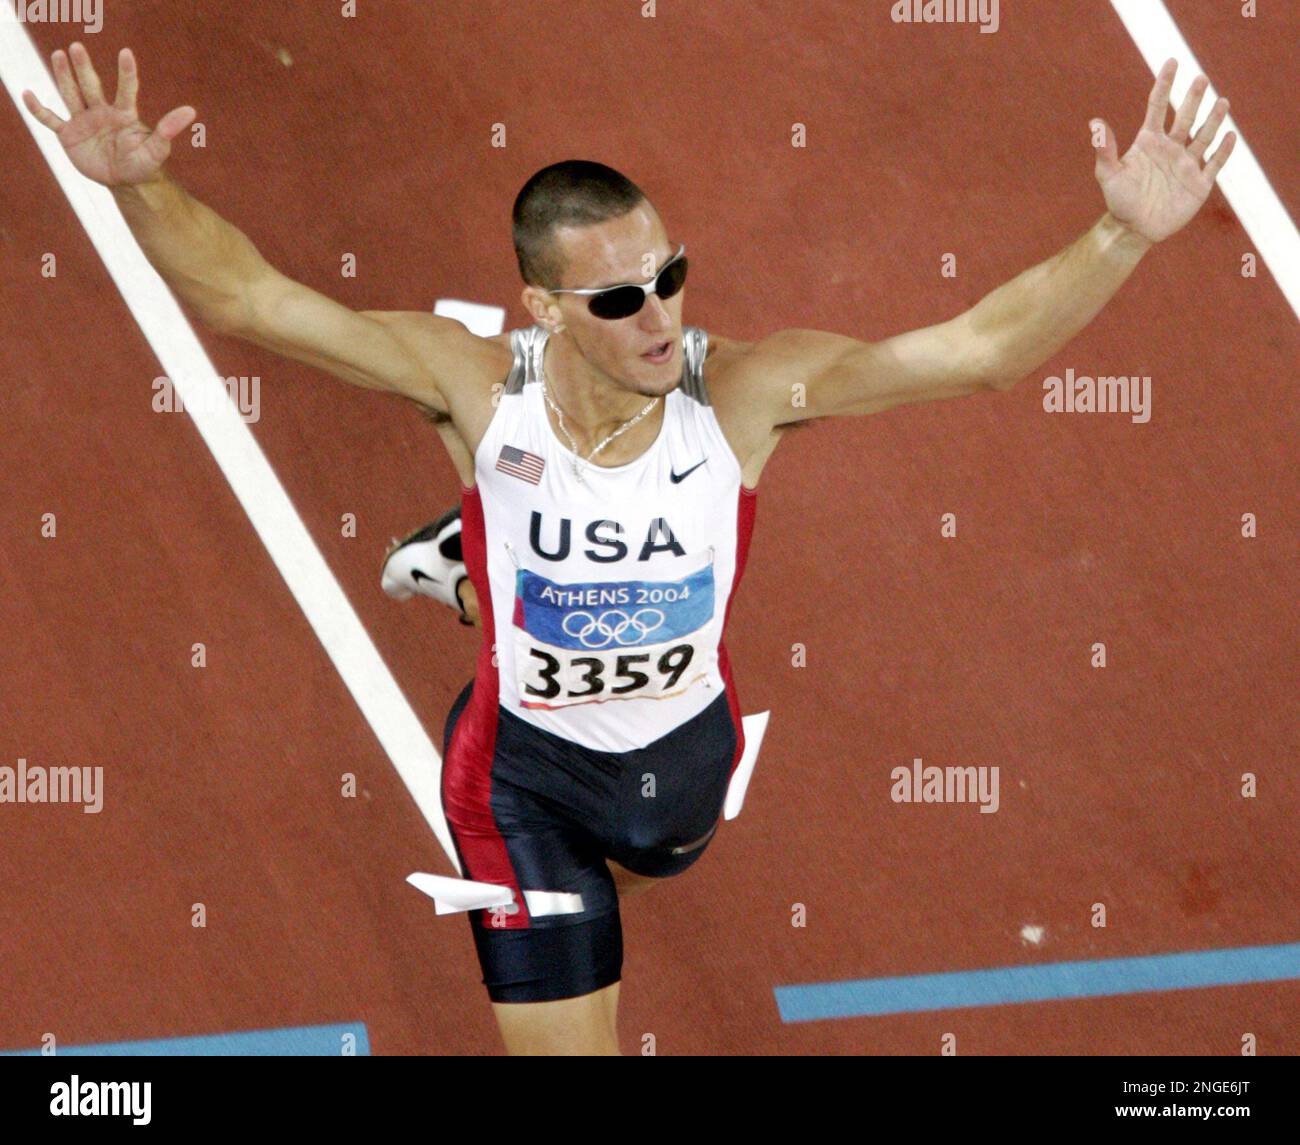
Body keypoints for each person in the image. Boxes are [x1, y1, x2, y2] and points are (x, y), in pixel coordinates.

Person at [25, 43, 1235, 1055]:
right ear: (544, 308)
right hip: (517, 776)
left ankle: (471, 564)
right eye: (617, 300)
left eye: (669, 277)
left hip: (680, 752)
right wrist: (141, 188)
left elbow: (976, 351)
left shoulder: (747, 394)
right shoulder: (471, 386)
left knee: (654, 861)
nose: (660, 315)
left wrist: (1120, 235)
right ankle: (483, 573)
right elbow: (253, 300)